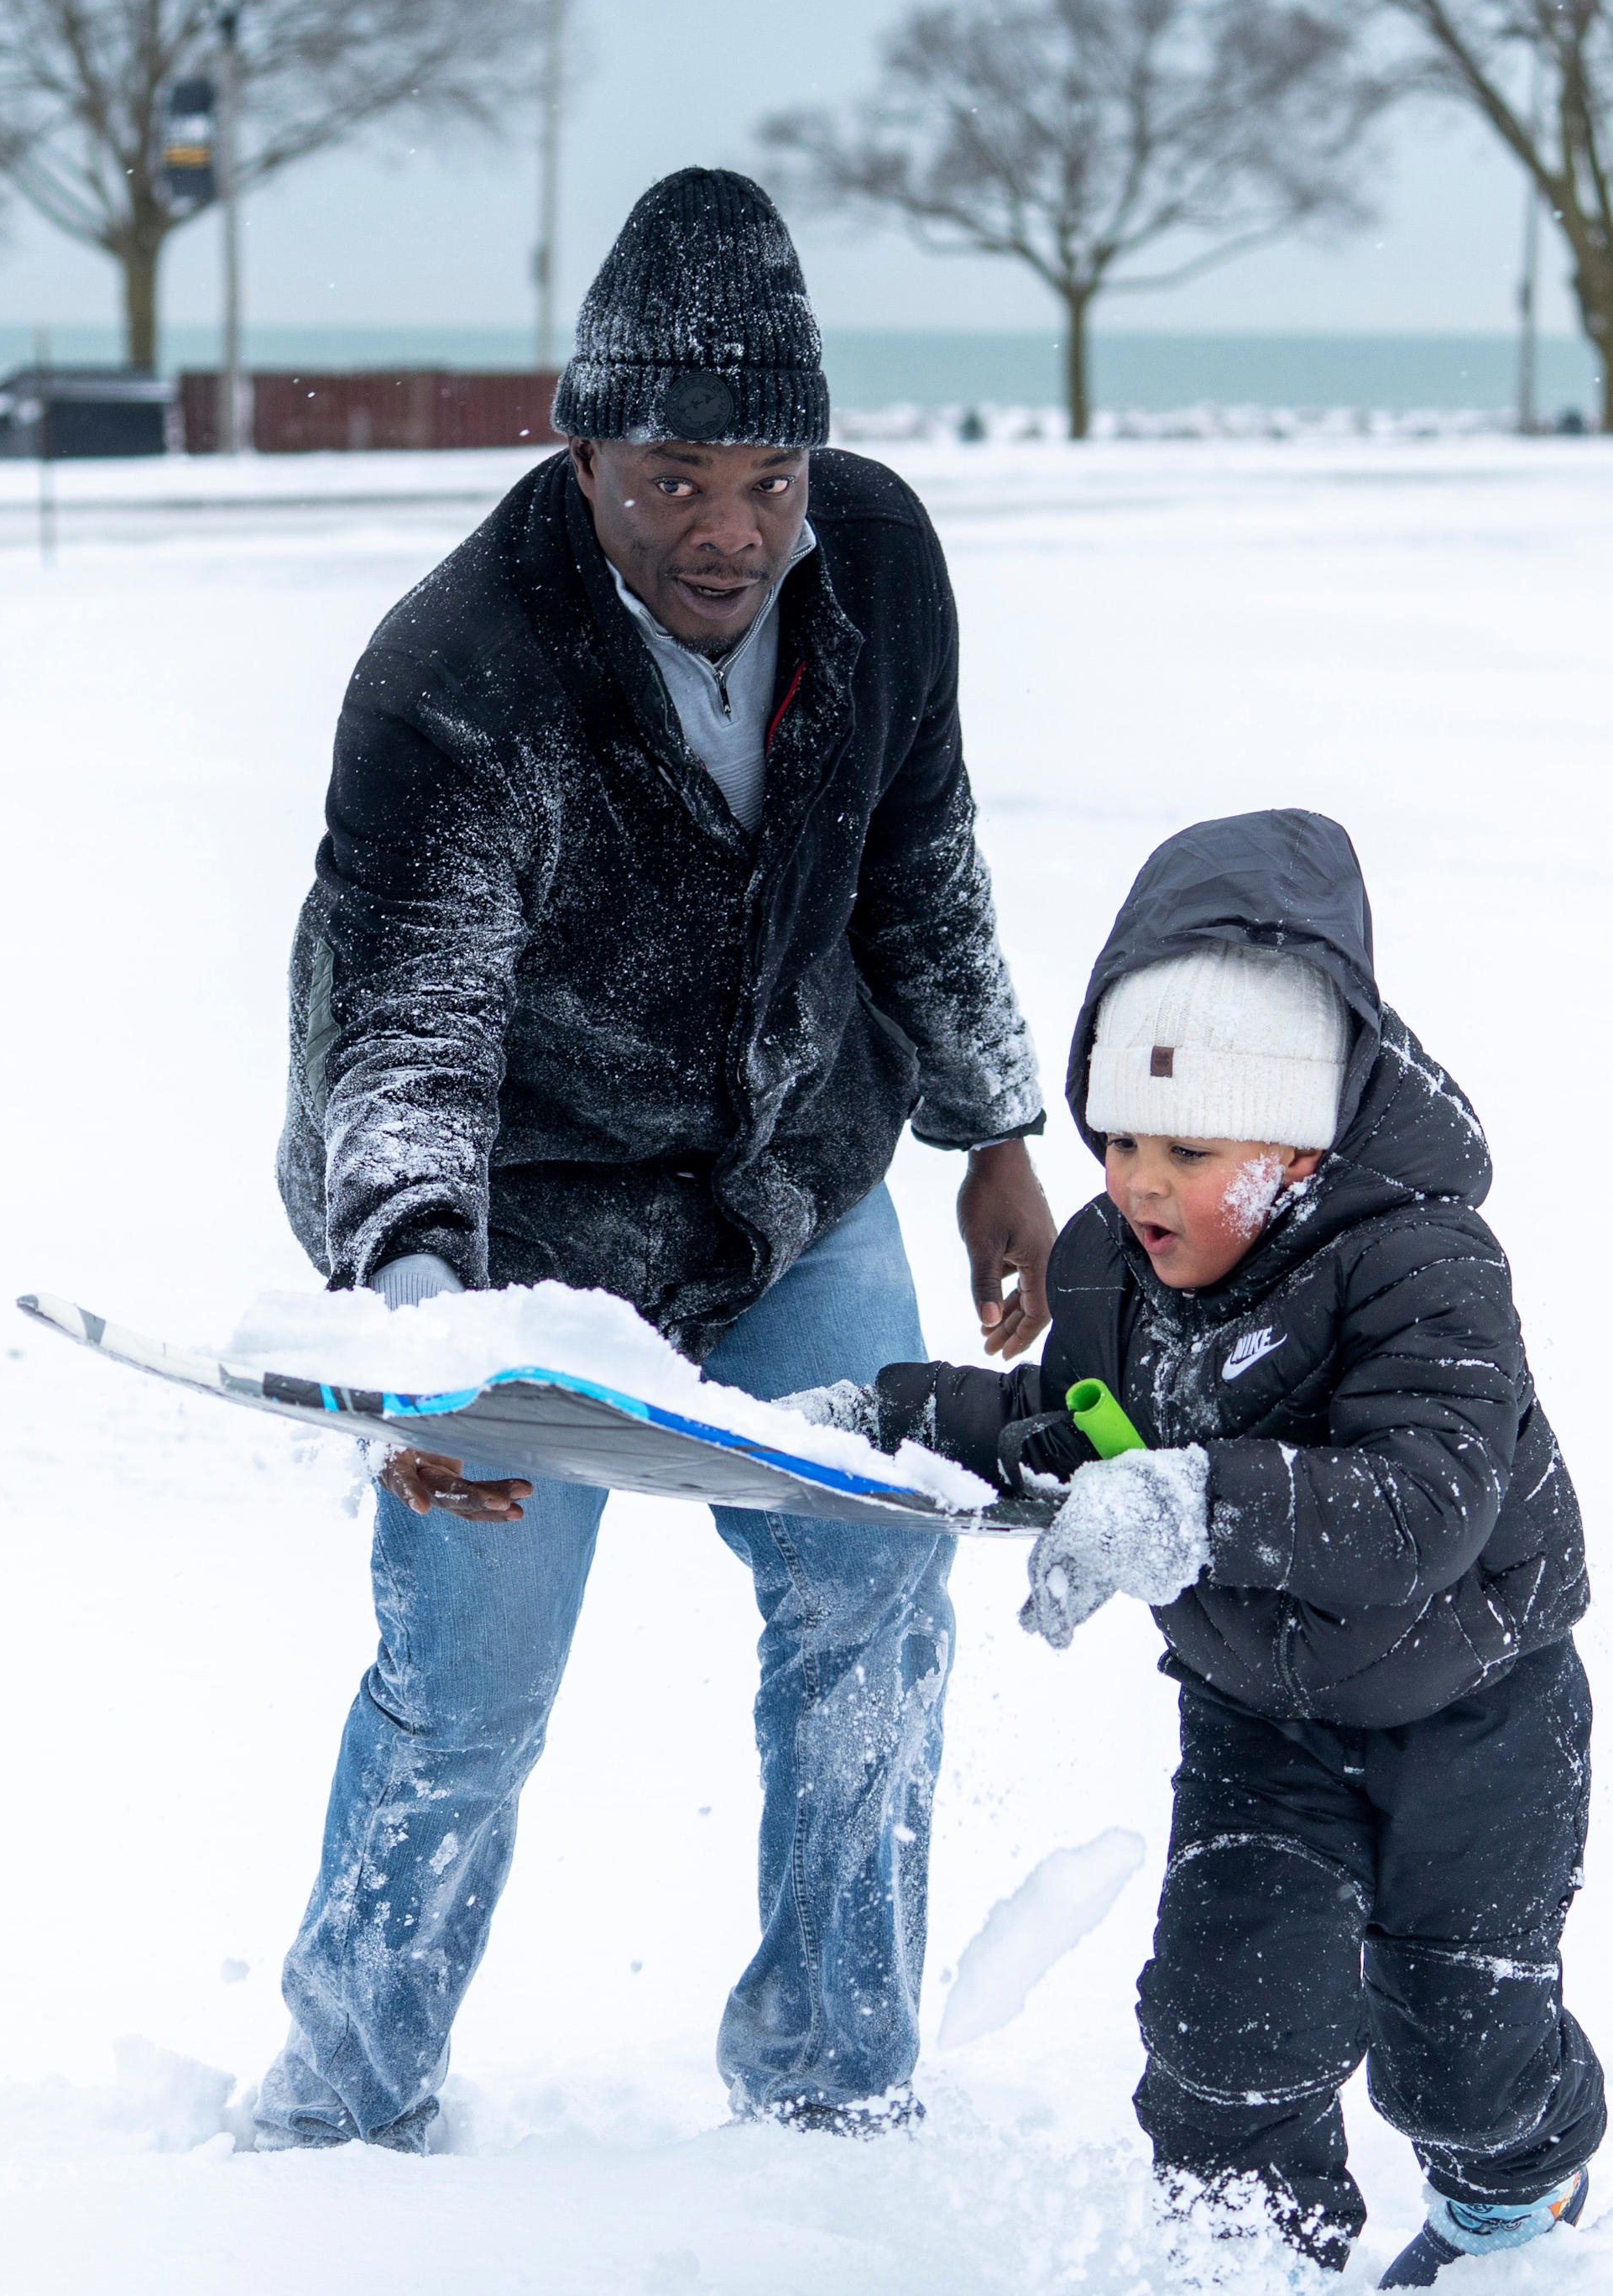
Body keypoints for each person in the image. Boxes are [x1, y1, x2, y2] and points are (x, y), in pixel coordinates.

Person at [252, 169, 1055, 2148]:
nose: (733, 530)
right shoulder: (459, 675)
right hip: (507, 1242)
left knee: (874, 1586)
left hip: (787, 1185)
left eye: (769, 477)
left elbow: (917, 851)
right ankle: (347, 2105)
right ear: (585, 443)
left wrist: (993, 1137)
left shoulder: (874, 565)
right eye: (679, 478)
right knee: (473, 1690)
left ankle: (834, 2081)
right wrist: (423, 1343)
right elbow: (410, 1044)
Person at [801, 810, 1602, 2281]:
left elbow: (1425, 1504)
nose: (1137, 1182)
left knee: (1459, 2051)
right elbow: (1072, 1422)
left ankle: (1513, 2211)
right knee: (1230, 2012)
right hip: (1260, 1716)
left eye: (1187, 1148)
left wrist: (1185, 1506)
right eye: (1112, 1139)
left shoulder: (1425, 1262)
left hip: (1473, 1713)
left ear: (1295, 1146)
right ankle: (1249, 2278)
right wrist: (884, 1418)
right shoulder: (1110, 1259)